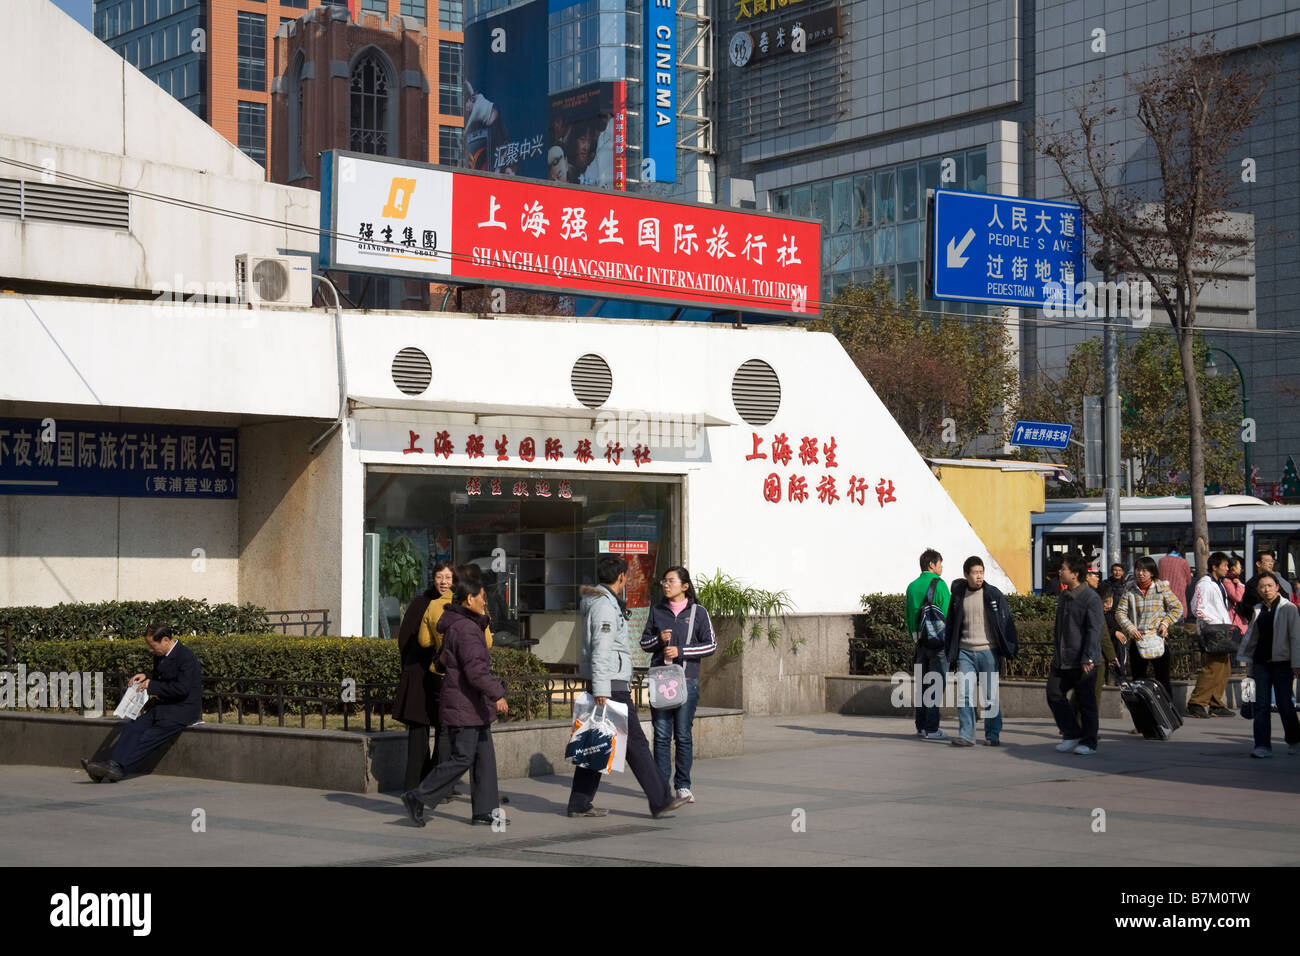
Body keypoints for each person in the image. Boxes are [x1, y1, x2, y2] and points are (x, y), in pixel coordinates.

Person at [567, 556, 691, 820]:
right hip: (611, 684)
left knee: (596, 741)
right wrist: (601, 688)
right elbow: (601, 649)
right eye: (627, 576)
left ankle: (579, 803)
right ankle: (660, 799)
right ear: (621, 576)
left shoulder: (604, 602)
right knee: (636, 743)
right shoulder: (604, 606)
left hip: (609, 682)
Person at [401, 571, 508, 827]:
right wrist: (498, 694)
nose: (485, 602)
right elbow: (475, 671)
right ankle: (418, 795)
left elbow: (446, 660)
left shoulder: (463, 625)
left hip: (472, 704)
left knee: (484, 757)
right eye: (482, 597)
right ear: (469, 599)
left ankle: (485, 809)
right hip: (465, 704)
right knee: (463, 757)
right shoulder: (467, 629)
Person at [82, 624, 201, 782]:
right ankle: (110, 765)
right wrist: (145, 676)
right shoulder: (161, 655)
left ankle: (118, 768)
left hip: (182, 710)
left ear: (165, 640)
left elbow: (182, 688)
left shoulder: (186, 657)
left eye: (152, 646)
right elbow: (159, 675)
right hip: (163, 707)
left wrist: (152, 686)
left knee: (150, 736)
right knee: (134, 727)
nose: (150, 650)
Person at [641, 566, 716, 800]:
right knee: (661, 735)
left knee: (683, 735)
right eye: (664, 580)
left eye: (670, 581)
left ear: (684, 586)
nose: (665, 584)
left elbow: (711, 645)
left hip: (687, 682)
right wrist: (658, 640)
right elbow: (644, 643)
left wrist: (681, 650)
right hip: (661, 682)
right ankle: (661, 787)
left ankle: (683, 785)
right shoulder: (657, 611)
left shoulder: (698, 612)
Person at [943, 556, 1016, 747]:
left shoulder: (993, 594)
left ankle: (993, 734)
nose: (979, 576)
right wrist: (951, 649)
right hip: (965, 652)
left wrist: (1009, 646)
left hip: (988, 651)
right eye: (975, 573)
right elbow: (951, 623)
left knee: (990, 695)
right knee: (964, 694)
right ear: (966, 574)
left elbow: (1006, 621)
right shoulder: (958, 595)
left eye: (981, 572)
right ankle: (966, 734)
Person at [1045, 555, 1104, 756]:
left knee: (1086, 702)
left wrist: (1088, 657)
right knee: (1053, 693)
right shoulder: (1064, 596)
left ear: (1075, 574)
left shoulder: (1090, 598)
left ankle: (1089, 742)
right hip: (1062, 659)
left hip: (1083, 661)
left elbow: (1094, 630)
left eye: (1063, 569)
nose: (1059, 572)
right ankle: (1071, 734)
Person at [1237, 571, 1300, 758]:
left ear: (1277, 587)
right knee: (1261, 705)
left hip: (1282, 664)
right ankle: (1262, 745)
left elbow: (1295, 637)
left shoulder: (1289, 608)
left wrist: (1296, 664)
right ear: (1257, 589)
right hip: (1260, 663)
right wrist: (1248, 662)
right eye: (1262, 586)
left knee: (1284, 704)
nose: (1266, 589)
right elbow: (1253, 638)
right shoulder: (1257, 609)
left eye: (1269, 586)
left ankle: (1294, 739)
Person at [1115, 555, 1183, 699]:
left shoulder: (1161, 587)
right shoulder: (1130, 588)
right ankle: (1144, 713)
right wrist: (1131, 628)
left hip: (1158, 639)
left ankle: (1167, 712)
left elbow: (1177, 608)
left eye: (1145, 570)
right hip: (1138, 639)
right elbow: (1120, 612)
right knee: (1139, 681)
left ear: (1152, 572)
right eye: (1138, 569)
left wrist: (1165, 624)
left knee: (1163, 679)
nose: (1140, 573)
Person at [905, 548, 950, 740]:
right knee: (936, 685)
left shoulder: (912, 586)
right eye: (940, 563)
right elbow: (949, 614)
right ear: (931, 564)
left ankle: (921, 726)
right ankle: (932, 729)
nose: (942, 566)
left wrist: (916, 638)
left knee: (922, 686)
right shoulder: (940, 584)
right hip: (939, 644)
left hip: (920, 643)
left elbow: (909, 617)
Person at [1186, 551, 1238, 718]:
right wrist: (1214, 623)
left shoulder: (1219, 583)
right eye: (1224, 565)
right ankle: (1196, 702)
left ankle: (1216, 703)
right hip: (1212, 632)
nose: (1227, 568)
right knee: (1212, 668)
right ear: (1214, 567)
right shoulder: (1205, 584)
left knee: (1224, 669)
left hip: (1222, 632)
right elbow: (1197, 608)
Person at [1157, 544, 1193, 622]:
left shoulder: (1161, 561)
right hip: (1178, 600)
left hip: (1163, 601)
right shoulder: (1183, 562)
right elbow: (1189, 581)